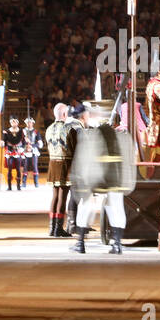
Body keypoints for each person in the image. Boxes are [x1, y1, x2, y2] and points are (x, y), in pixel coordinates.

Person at [68, 101, 137, 255]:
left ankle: (80, 244)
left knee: (86, 207)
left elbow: (85, 159)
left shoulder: (91, 136)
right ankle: (117, 244)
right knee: (116, 208)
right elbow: (129, 159)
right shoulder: (122, 137)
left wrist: (81, 181)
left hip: (95, 178)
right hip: (116, 179)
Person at [45, 102, 78, 236]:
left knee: (54, 196)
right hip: (65, 164)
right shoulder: (69, 128)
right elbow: (75, 149)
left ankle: (52, 227)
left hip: (52, 163)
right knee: (62, 197)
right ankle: (59, 228)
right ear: (64, 114)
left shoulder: (48, 128)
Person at [3, 116, 24, 190]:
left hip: (18, 151)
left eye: (15, 122)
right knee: (9, 168)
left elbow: (23, 141)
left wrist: (22, 148)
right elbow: (5, 141)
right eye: (12, 122)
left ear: (17, 123)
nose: (13, 123)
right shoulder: (7, 131)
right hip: (10, 151)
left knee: (18, 169)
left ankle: (18, 185)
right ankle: (9, 186)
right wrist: (2, 142)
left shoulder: (21, 131)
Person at [22, 116, 42, 188]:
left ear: (33, 123)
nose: (29, 124)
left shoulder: (36, 132)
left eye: (30, 122)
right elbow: (21, 142)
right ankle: (23, 183)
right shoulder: (23, 131)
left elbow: (40, 143)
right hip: (25, 150)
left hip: (34, 151)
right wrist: (26, 145)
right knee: (25, 167)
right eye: (27, 122)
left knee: (35, 167)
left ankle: (36, 183)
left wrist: (32, 146)